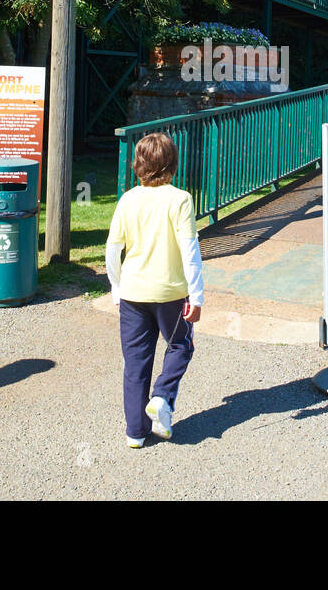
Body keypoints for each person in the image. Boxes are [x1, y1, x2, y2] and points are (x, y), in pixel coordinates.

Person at [105, 132, 204, 448]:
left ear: (138, 165)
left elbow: (112, 249)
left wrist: (116, 287)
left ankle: (135, 431)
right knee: (180, 346)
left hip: (133, 292)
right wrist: (197, 295)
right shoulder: (180, 199)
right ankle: (162, 397)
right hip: (171, 293)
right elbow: (190, 251)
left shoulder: (128, 199)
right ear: (172, 164)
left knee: (135, 361)